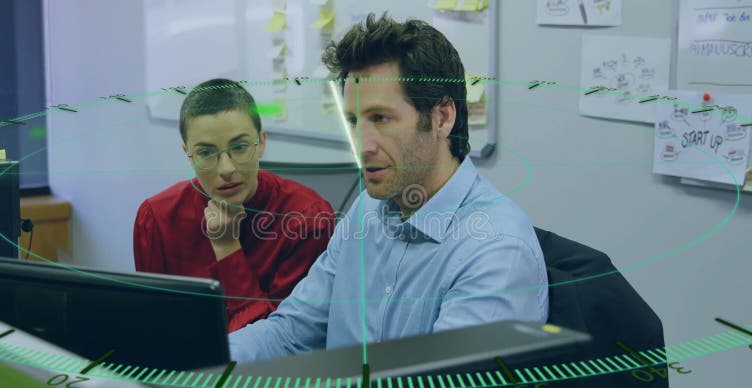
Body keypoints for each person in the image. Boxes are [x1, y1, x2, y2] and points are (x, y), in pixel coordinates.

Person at [229, 13, 548, 363]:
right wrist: (202, 364)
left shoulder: (496, 252)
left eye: (381, 118)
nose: (361, 145)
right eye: (354, 121)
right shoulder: (367, 210)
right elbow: (290, 334)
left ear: (442, 117)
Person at [133, 78, 335, 332]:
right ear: (188, 154)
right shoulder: (157, 218)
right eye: (206, 153)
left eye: (239, 147)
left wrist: (227, 248)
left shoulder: (307, 220)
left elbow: (282, 340)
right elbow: (154, 326)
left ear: (261, 142)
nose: (226, 169)